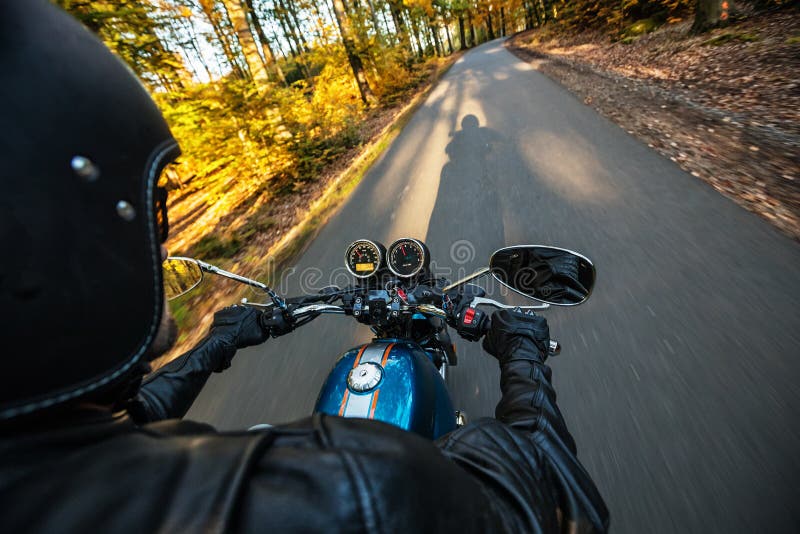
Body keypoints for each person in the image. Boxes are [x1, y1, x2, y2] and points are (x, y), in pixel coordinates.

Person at [0, 2, 609, 532]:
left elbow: (130, 420)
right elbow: (559, 504)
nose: (160, 250)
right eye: (153, 220)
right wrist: (523, 356)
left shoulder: (48, 474)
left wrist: (217, 344)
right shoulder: (357, 490)